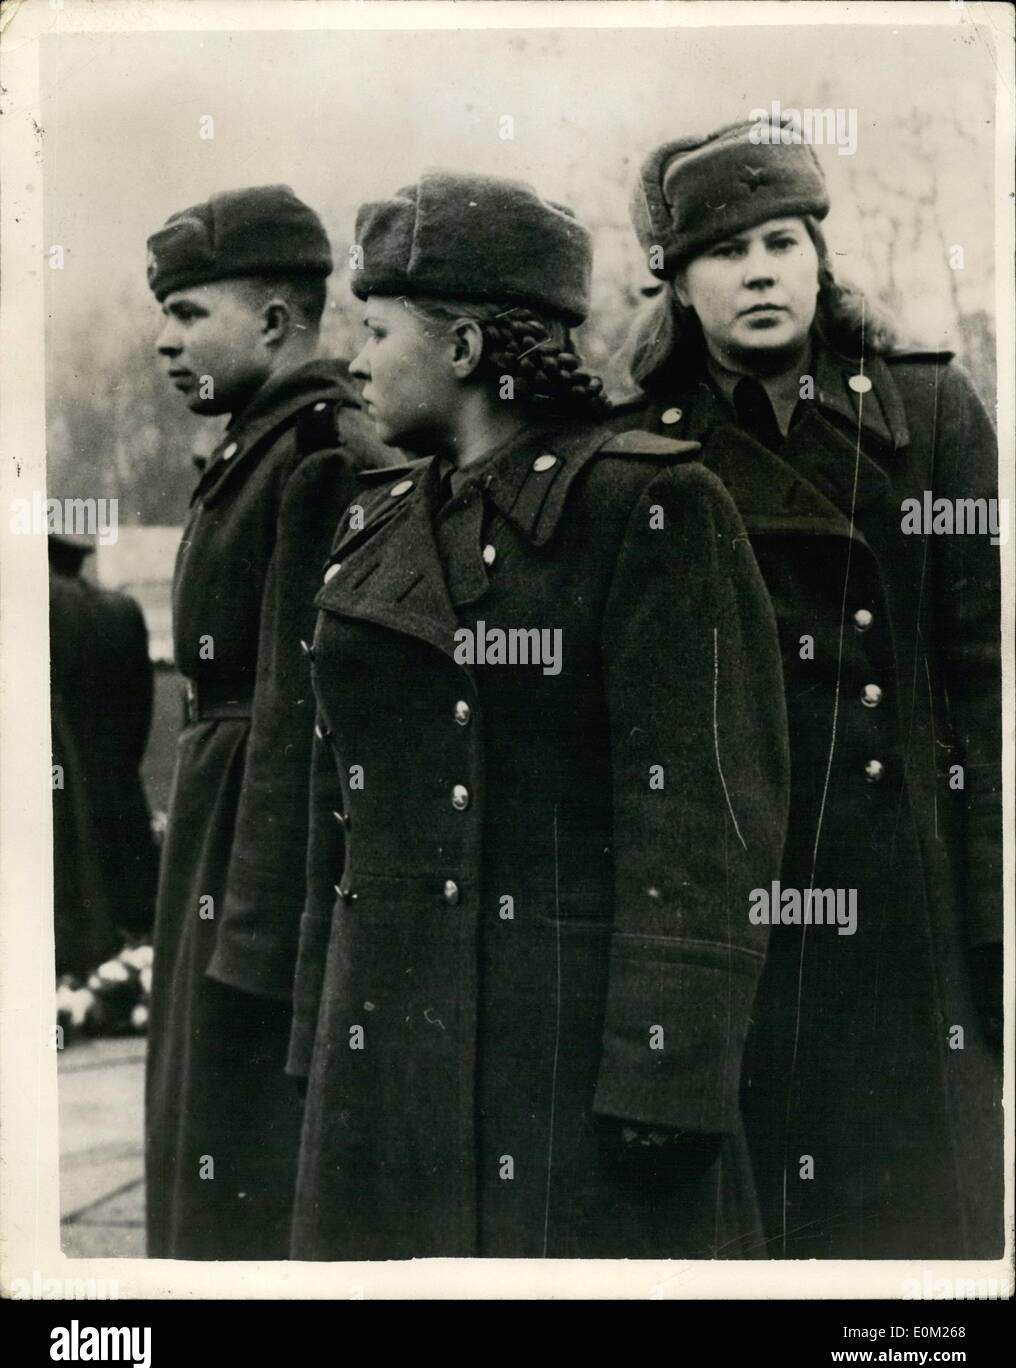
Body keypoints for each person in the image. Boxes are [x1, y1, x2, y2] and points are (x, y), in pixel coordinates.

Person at [285, 170, 790, 1260]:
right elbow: (345, 817)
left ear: (464, 350)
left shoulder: (645, 503)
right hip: (387, 1054)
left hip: (566, 1062)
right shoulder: (373, 523)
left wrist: (667, 1066)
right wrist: (318, 1044)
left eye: (377, 332)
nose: (357, 361)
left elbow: (705, 813)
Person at [612, 117, 1003, 1258]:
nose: (760, 271)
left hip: (902, 889)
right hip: (736, 885)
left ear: (818, 258)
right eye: (725, 253)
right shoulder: (637, 441)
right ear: (677, 287)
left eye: (782, 240)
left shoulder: (926, 413)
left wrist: (992, 912)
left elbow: (981, 678)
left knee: (914, 1212)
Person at [144, 185, 398, 1259]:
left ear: (277, 321)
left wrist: (256, 932)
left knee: (238, 1135)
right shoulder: (258, 441)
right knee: (198, 1118)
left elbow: (312, 712)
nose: (165, 340)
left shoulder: (321, 450)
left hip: (262, 831)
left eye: (190, 312)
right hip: (221, 805)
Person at [50, 533, 157, 980]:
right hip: (117, 776)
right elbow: (142, 703)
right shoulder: (120, 610)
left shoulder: (41, 605)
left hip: (64, 777)